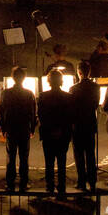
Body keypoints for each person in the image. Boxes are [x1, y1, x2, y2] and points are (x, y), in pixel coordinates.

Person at [0, 66, 37, 193]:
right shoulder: (29, 93)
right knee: (24, 157)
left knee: (11, 156)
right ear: (24, 78)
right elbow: (33, 112)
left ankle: (10, 184)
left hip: (11, 127)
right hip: (24, 127)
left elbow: (3, 111)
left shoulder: (5, 93)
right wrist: (32, 128)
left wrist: (3, 128)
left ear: (13, 78)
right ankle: (23, 183)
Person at [37, 68, 71, 197]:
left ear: (49, 81)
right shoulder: (68, 97)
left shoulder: (43, 96)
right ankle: (61, 187)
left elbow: (41, 115)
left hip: (48, 133)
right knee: (62, 161)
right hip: (63, 133)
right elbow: (69, 117)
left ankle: (49, 186)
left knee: (49, 162)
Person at [69, 60, 100, 192]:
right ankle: (92, 182)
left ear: (79, 73)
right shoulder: (96, 87)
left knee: (79, 154)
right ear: (89, 72)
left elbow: (71, 107)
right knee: (90, 154)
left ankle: (81, 181)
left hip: (77, 124)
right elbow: (95, 105)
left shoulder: (73, 89)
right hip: (90, 123)